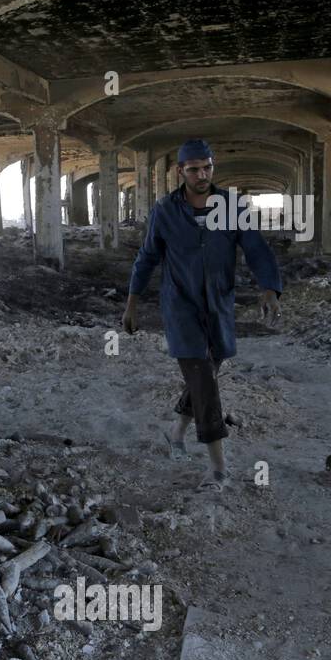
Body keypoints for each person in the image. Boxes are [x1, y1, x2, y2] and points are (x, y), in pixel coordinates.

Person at [121, 138, 283, 490]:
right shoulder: (166, 211)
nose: (201, 174)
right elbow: (147, 257)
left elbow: (255, 246)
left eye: (207, 166)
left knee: (210, 368)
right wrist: (132, 301)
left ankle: (175, 432)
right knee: (204, 380)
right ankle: (218, 468)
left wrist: (269, 286)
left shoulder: (229, 206)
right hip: (180, 307)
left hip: (220, 304)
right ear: (181, 172)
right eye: (193, 169)